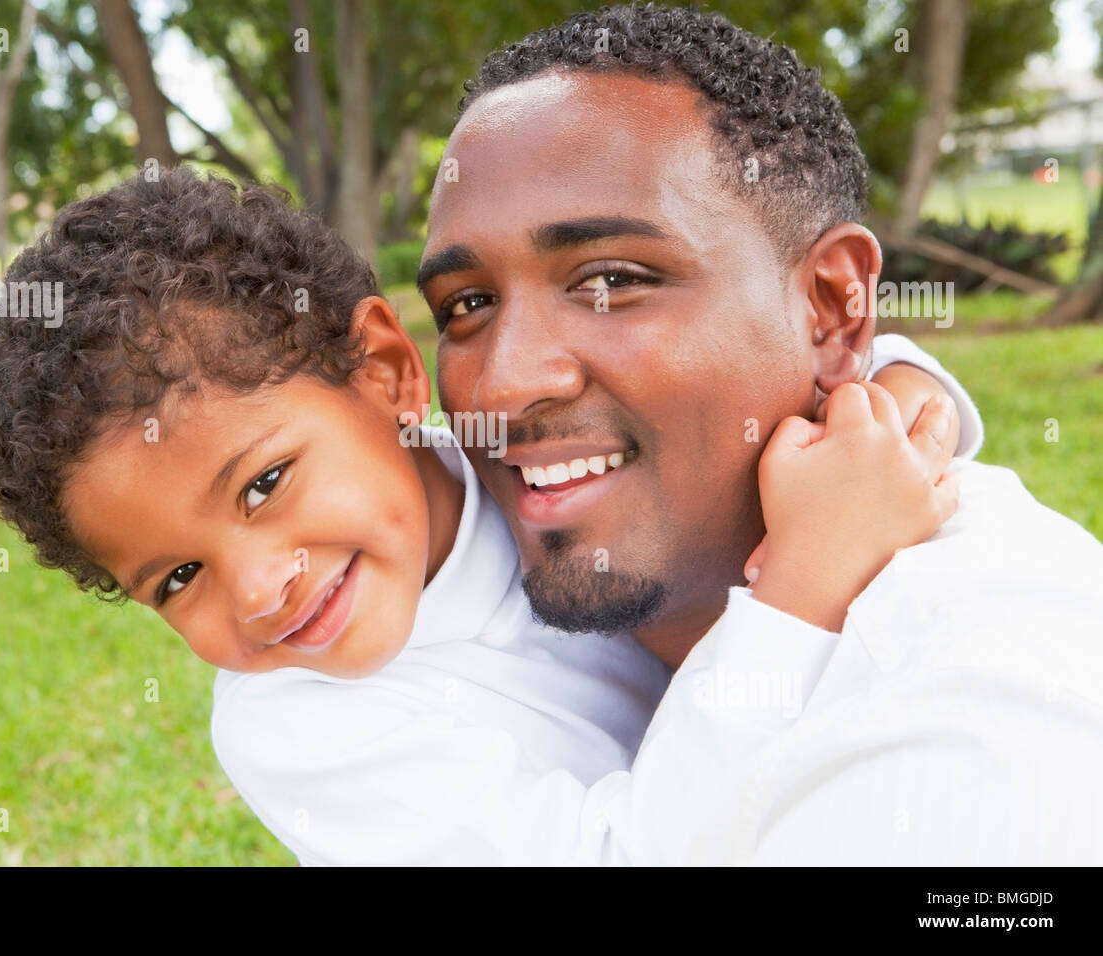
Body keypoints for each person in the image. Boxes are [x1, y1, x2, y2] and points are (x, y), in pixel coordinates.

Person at [0, 166, 972, 864]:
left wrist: (893, 392)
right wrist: (807, 583)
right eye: (177, 577)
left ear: (386, 373)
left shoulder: (515, 451)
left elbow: (699, 400)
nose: (261, 584)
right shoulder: (298, 724)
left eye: (265, 483)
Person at [419, 2, 1103, 863]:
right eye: (468, 306)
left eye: (612, 280)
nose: (506, 382)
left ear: (829, 307)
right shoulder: (424, 611)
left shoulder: (972, 741)